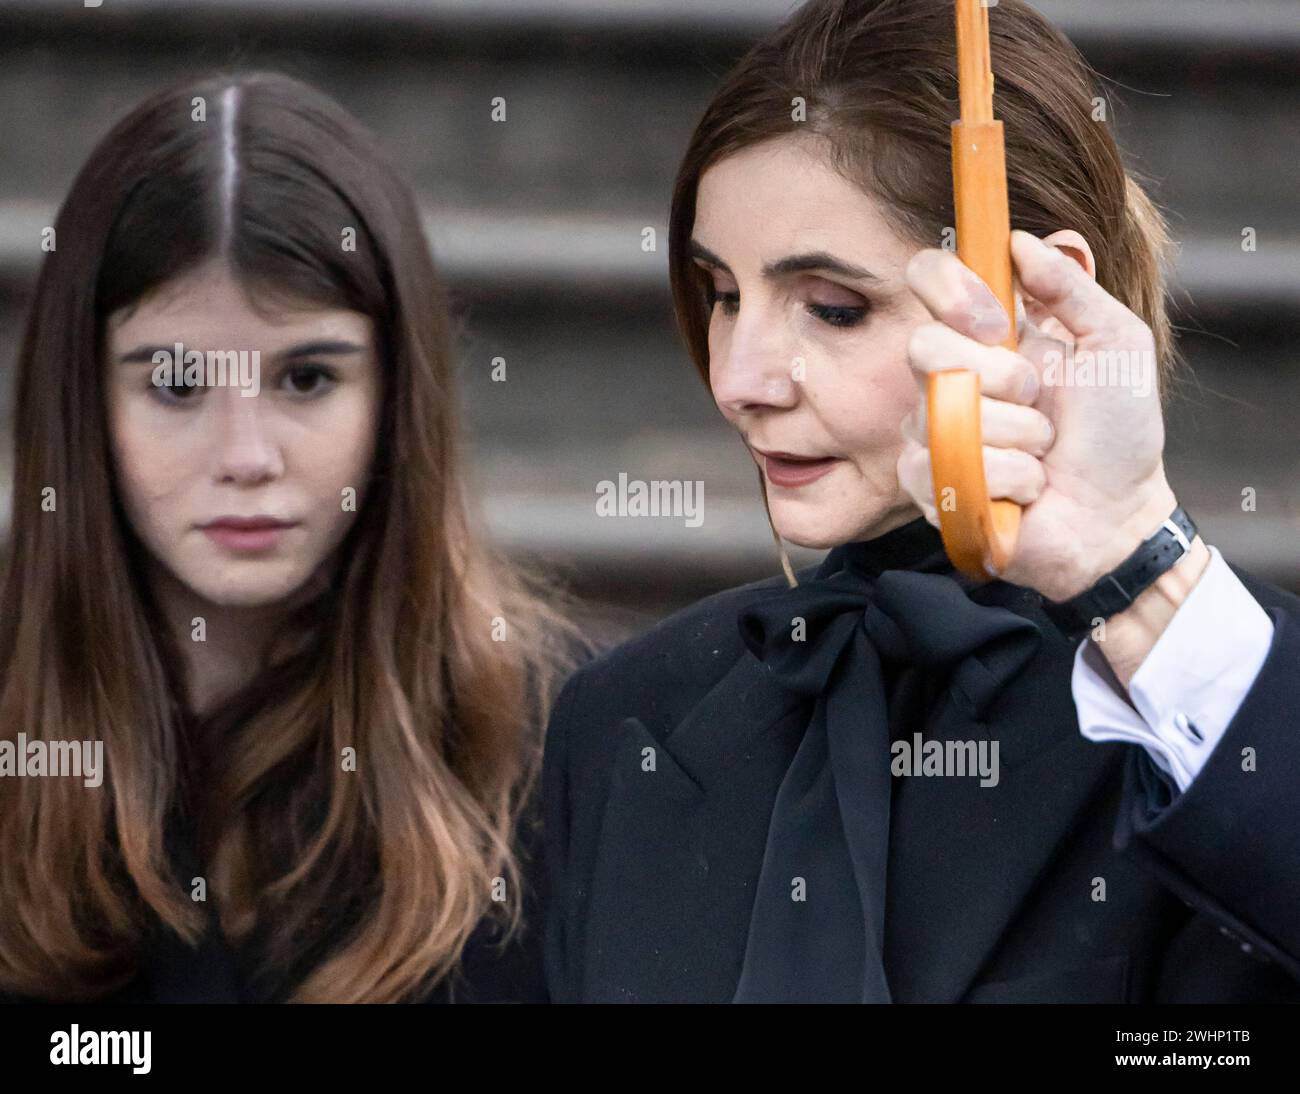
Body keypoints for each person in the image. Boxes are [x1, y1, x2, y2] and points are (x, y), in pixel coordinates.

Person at [542, 0, 1300, 1003]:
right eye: (722, 294)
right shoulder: (622, 718)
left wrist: (1136, 565)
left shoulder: (1199, 724)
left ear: (1039, 306)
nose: (737, 380)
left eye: (834, 309)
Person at [0, 71, 580, 1003]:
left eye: (306, 378)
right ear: (83, 402)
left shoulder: (567, 747)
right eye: (176, 384)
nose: (247, 457)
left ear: (397, 394)